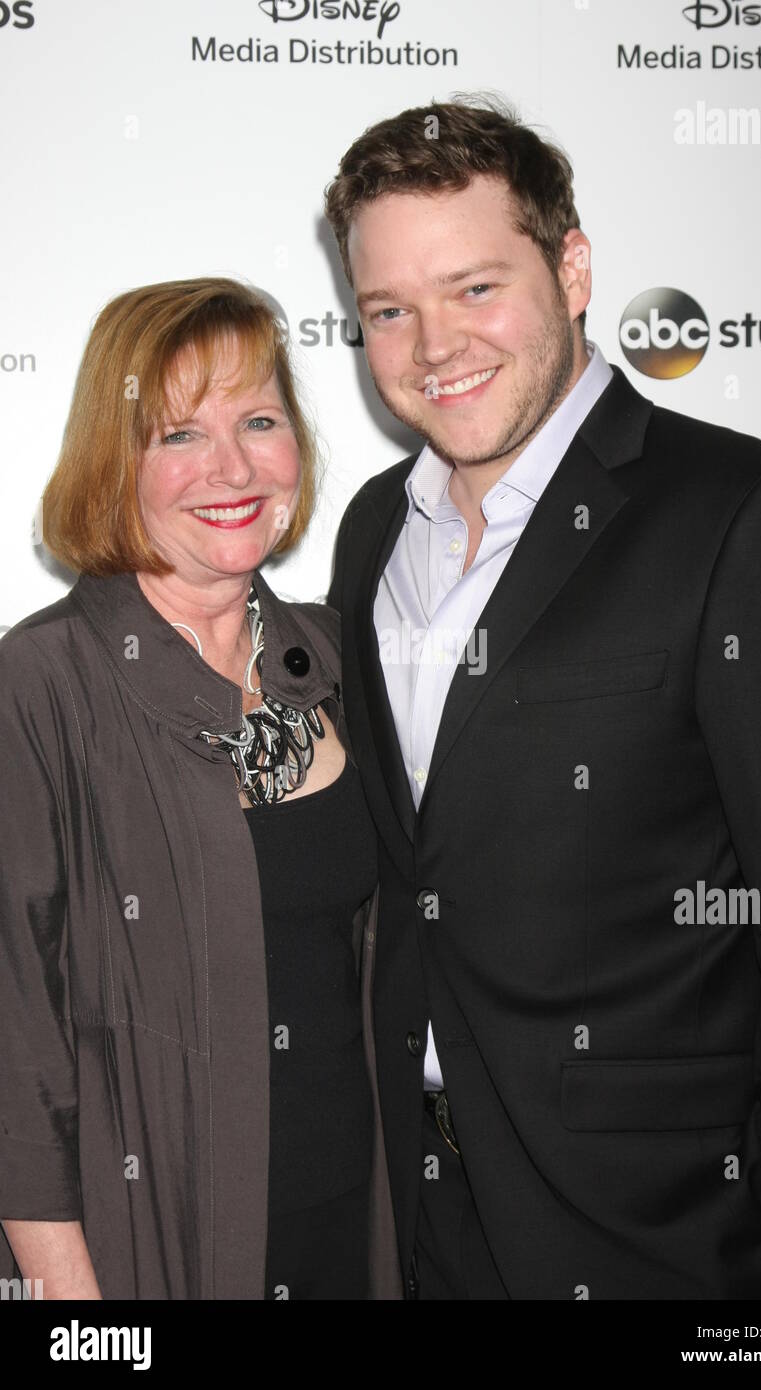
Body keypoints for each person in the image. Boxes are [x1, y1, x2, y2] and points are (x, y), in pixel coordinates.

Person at [323, 96, 761, 1299]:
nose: (432, 347)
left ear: (570, 269)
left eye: (473, 289)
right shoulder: (371, 531)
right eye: (388, 311)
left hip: (668, 1221)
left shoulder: (750, 517)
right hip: (415, 1215)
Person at [0, 277, 397, 1299]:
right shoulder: (41, 683)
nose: (231, 468)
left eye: (258, 420)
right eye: (178, 433)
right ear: (114, 460)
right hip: (151, 1249)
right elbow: (15, 1040)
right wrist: (75, 1311)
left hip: (360, 1229)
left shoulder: (338, 651)